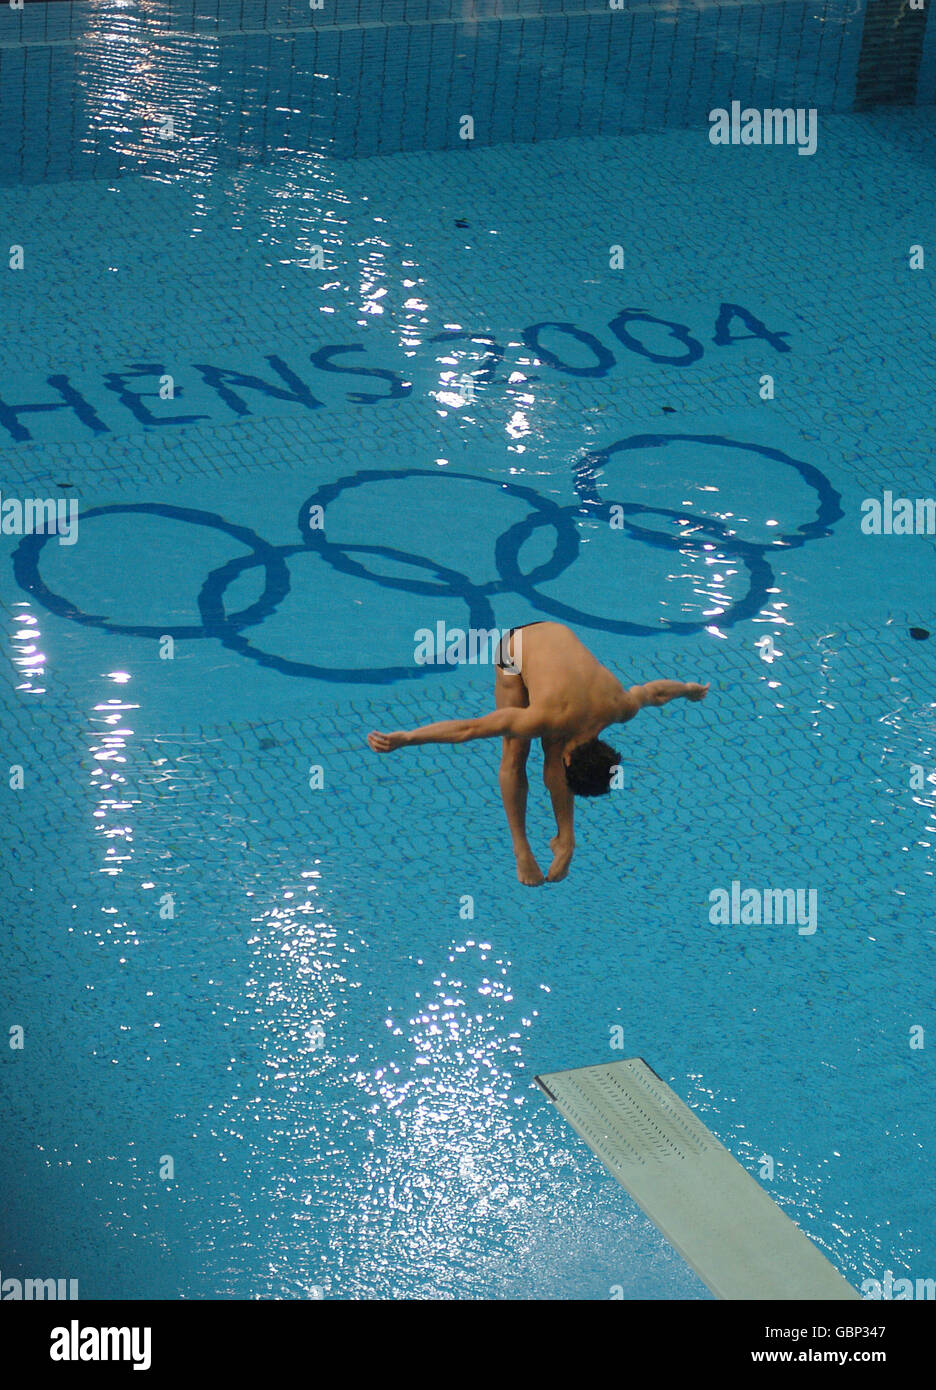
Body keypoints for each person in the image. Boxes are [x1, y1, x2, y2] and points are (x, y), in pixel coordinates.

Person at [367, 621, 708, 885]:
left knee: (554, 743)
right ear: (574, 761)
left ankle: (565, 839)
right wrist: (407, 737)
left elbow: (656, 692)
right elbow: (469, 729)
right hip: (514, 648)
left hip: (557, 631)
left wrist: (689, 689)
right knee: (516, 749)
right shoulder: (540, 718)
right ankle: (522, 848)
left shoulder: (621, 706)